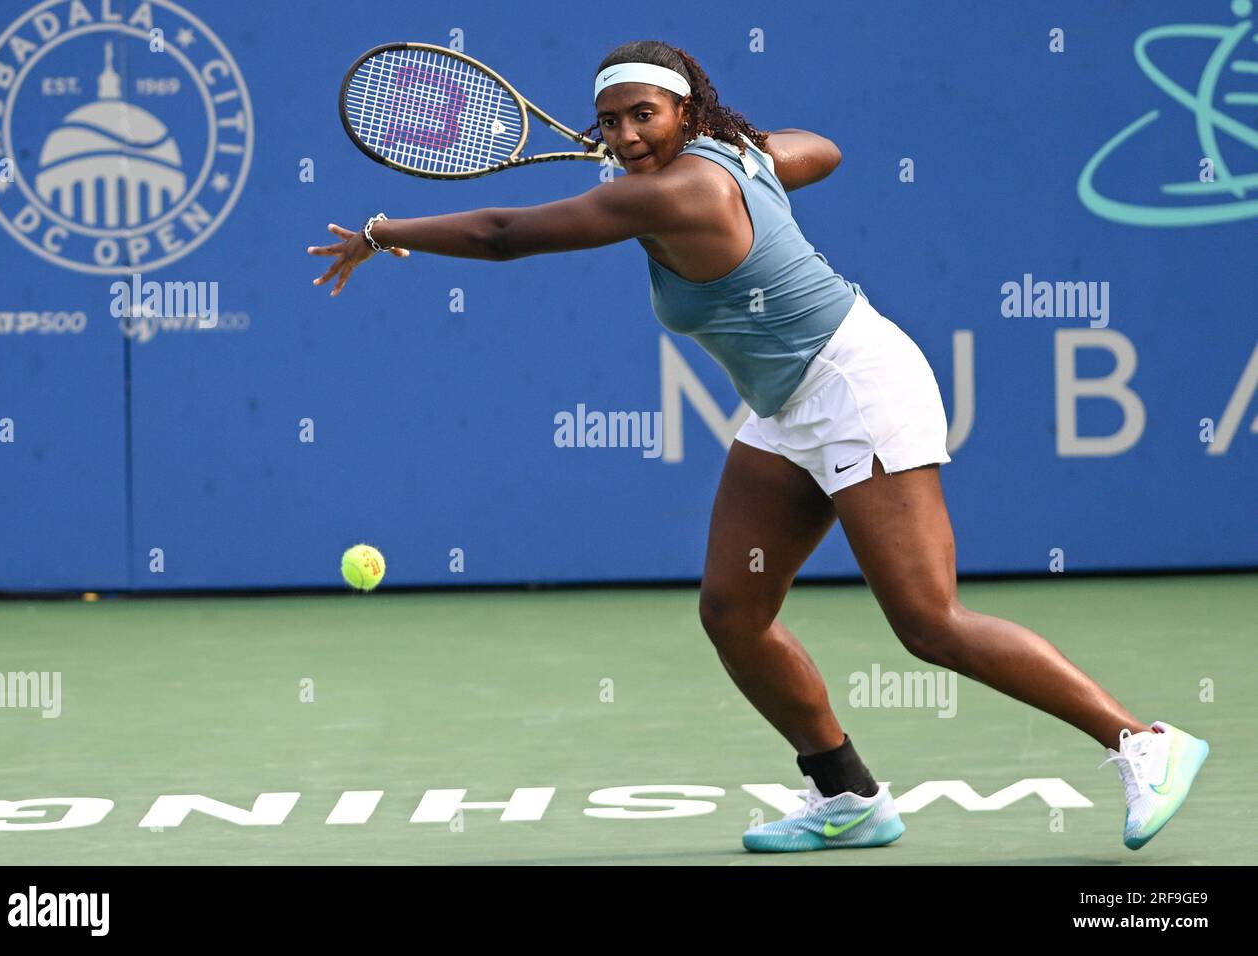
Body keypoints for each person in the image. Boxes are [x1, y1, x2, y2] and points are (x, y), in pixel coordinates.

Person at [307, 39, 1209, 854]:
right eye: (611, 122)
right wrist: (753, 158)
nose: (624, 135)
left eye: (643, 116)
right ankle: (849, 796)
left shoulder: (680, 187)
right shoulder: (730, 156)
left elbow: (507, 236)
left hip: (856, 388)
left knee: (928, 623)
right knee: (733, 612)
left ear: (686, 110)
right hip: (786, 408)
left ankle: (1141, 740)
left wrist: (386, 233)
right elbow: (824, 149)